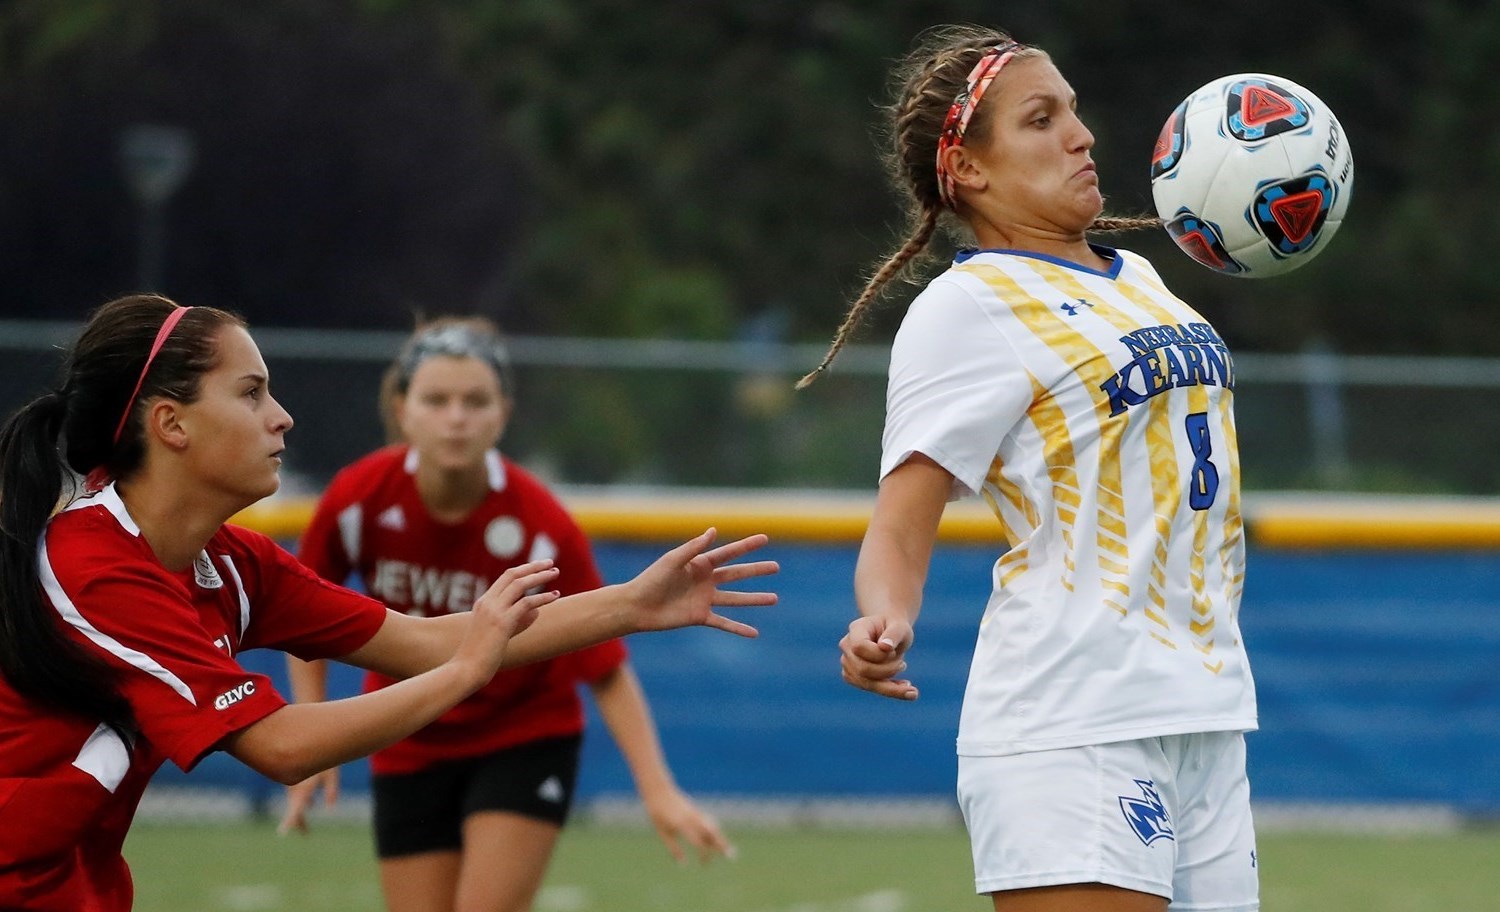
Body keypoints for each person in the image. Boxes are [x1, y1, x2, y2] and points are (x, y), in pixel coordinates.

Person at [0, 294, 777, 912]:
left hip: (70, 885)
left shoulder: (228, 564)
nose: (283, 417)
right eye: (252, 393)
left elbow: (420, 641)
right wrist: (465, 672)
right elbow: (282, 748)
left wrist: (632, 604)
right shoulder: (93, 565)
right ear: (169, 424)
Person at [807, 26, 1259, 912]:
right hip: (1075, 720)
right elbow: (901, 524)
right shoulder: (967, 306)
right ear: (968, 170)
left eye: (1075, 113)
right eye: (1040, 119)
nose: (1080, 136)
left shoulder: (1139, 279)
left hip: (1205, 715)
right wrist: (883, 620)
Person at [278, 317, 733, 912]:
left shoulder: (542, 523)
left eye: (475, 401)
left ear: (503, 412)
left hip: (522, 736)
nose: (456, 416)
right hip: (408, 732)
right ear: (402, 407)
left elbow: (605, 668)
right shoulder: (356, 501)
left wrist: (657, 788)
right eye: (437, 400)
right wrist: (314, 733)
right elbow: (303, 619)